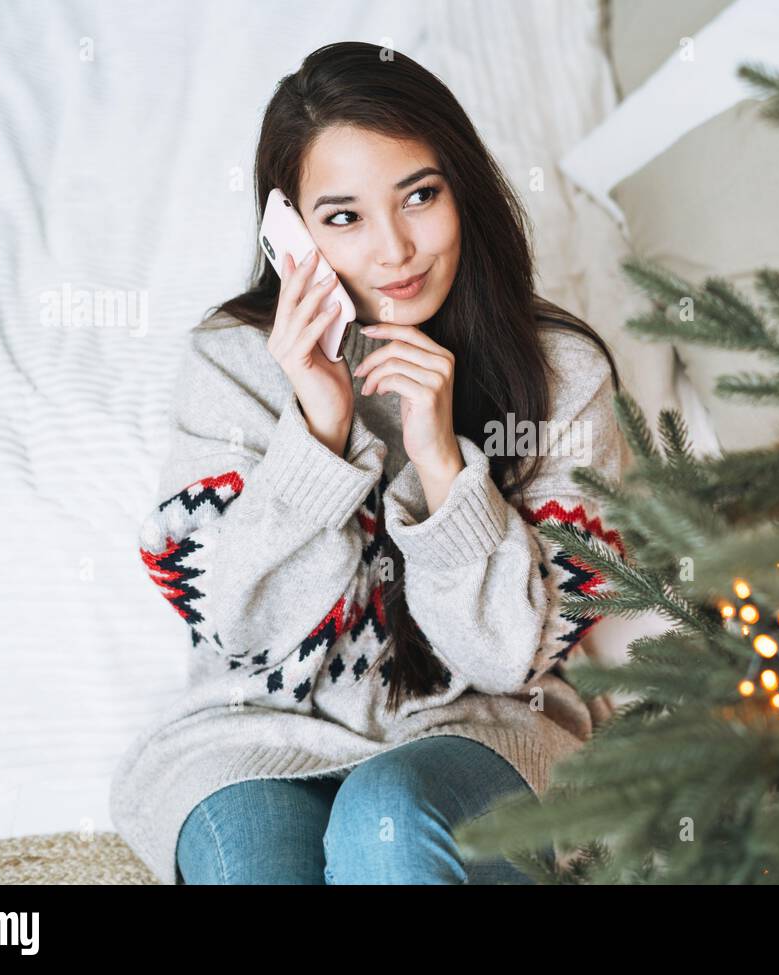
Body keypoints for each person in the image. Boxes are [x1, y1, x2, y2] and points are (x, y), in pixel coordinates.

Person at [108, 40, 627, 884]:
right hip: (252, 731)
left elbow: (505, 658)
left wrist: (438, 461)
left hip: (482, 732)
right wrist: (318, 429)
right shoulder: (231, 364)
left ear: (465, 190)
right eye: (344, 216)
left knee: (386, 821)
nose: (396, 251)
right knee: (253, 860)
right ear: (292, 237)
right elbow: (243, 635)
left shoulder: (562, 373)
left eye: (419, 196)